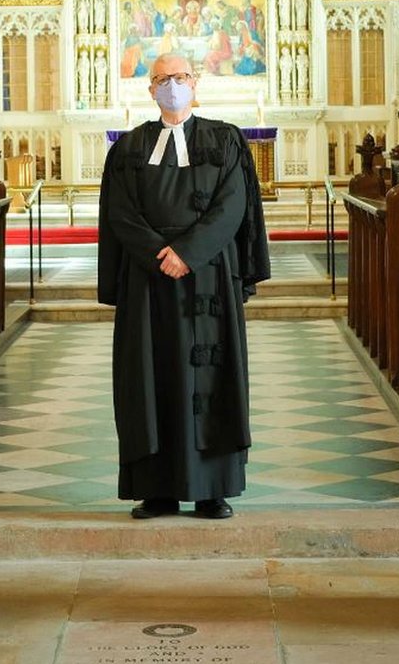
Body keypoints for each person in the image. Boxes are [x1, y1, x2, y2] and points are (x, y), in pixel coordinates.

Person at [97, 53, 270, 521]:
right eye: (162, 79)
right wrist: (159, 255)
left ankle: (213, 489)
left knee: (211, 382)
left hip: (209, 277)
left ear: (196, 83)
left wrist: (188, 253)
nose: (172, 86)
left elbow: (232, 204)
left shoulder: (225, 139)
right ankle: (158, 490)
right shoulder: (128, 148)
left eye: (181, 77)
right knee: (149, 381)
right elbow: (120, 213)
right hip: (147, 279)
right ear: (149, 89)